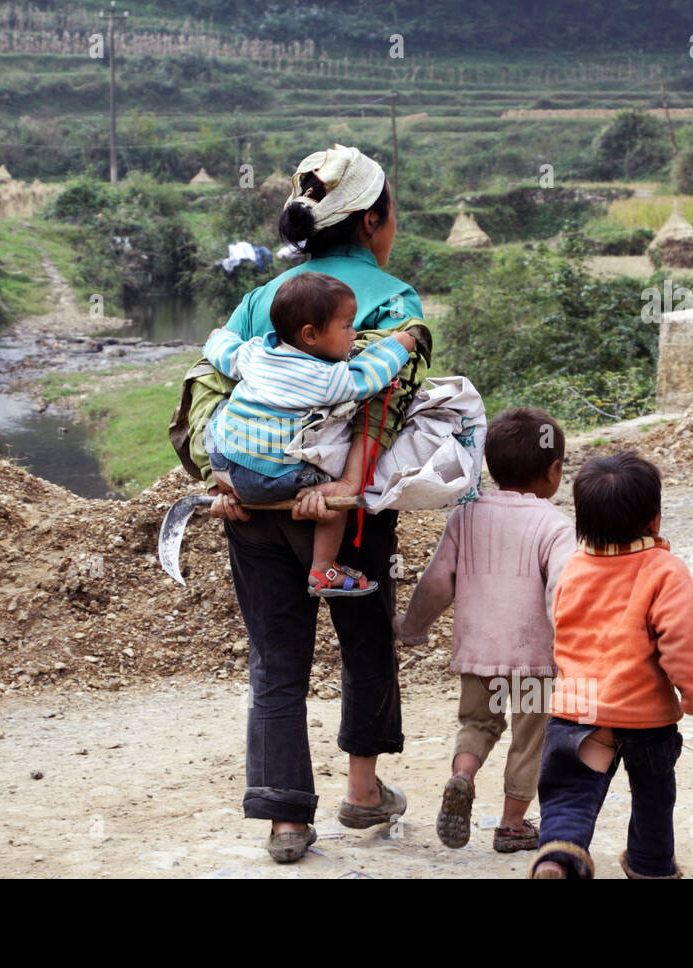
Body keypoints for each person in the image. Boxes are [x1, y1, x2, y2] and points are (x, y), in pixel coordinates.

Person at [203, 144, 429, 863]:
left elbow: (211, 383)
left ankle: (284, 820)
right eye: (392, 214)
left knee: (275, 659)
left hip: (253, 511)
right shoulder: (391, 300)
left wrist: (224, 481)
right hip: (346, 510)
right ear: (371, 222)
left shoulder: (265, 300)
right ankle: (363, 792)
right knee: (364, 642)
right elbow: (393, 405)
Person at [530, 452, 693, 879]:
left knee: (570, 794)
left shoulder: (573, 569)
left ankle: (558, 858)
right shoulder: (665, 571)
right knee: (653, 794)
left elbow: (559, 626)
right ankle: (650, 865)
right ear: (654, 520)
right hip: (645, 716)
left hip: (579, 710)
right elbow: (685, 640)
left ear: (581, 522)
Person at [393, 408, 576, 853]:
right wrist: (575, 650)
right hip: (534, 662)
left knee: (477, 723)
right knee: (530, 737)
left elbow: (437, 581)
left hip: (479, 653)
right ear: (553, 472)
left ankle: (463, 776)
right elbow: (563, 591)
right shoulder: (554, 525)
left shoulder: (466, 516)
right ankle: (513, 824)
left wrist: (411, 627)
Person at [202, 271, 415, 597]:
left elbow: (223, 349)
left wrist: (217, 335)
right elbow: (368, 375)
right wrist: (401, 344)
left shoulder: (255, 353)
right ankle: (323, 569)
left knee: (220, 416)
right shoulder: (326, 378)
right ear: (310, 335)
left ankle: (219, 485)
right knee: (335, 499)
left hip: (231, 468)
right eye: (346, 326)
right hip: (280, 478)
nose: (354, 332)